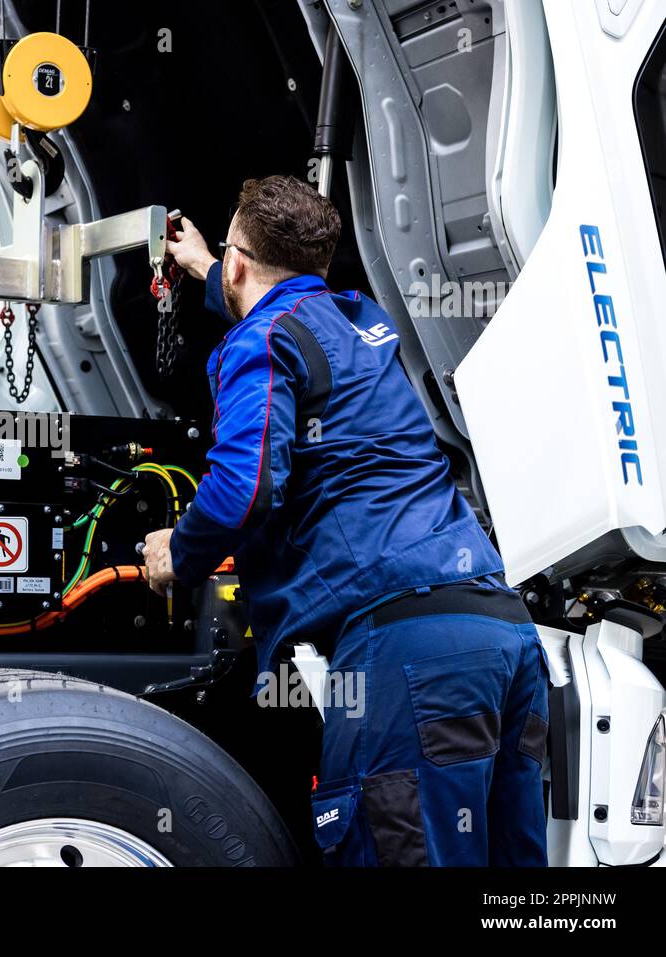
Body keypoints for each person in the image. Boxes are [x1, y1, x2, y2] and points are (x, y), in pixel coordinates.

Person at [142, 175, 550, 867]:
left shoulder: (262, 339)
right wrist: (208, 267)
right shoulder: (362, 319)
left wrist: (178, 554)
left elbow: (242, 489)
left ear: (242, 263)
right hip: (501, 634)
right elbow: (286, 297)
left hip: (407, 656)